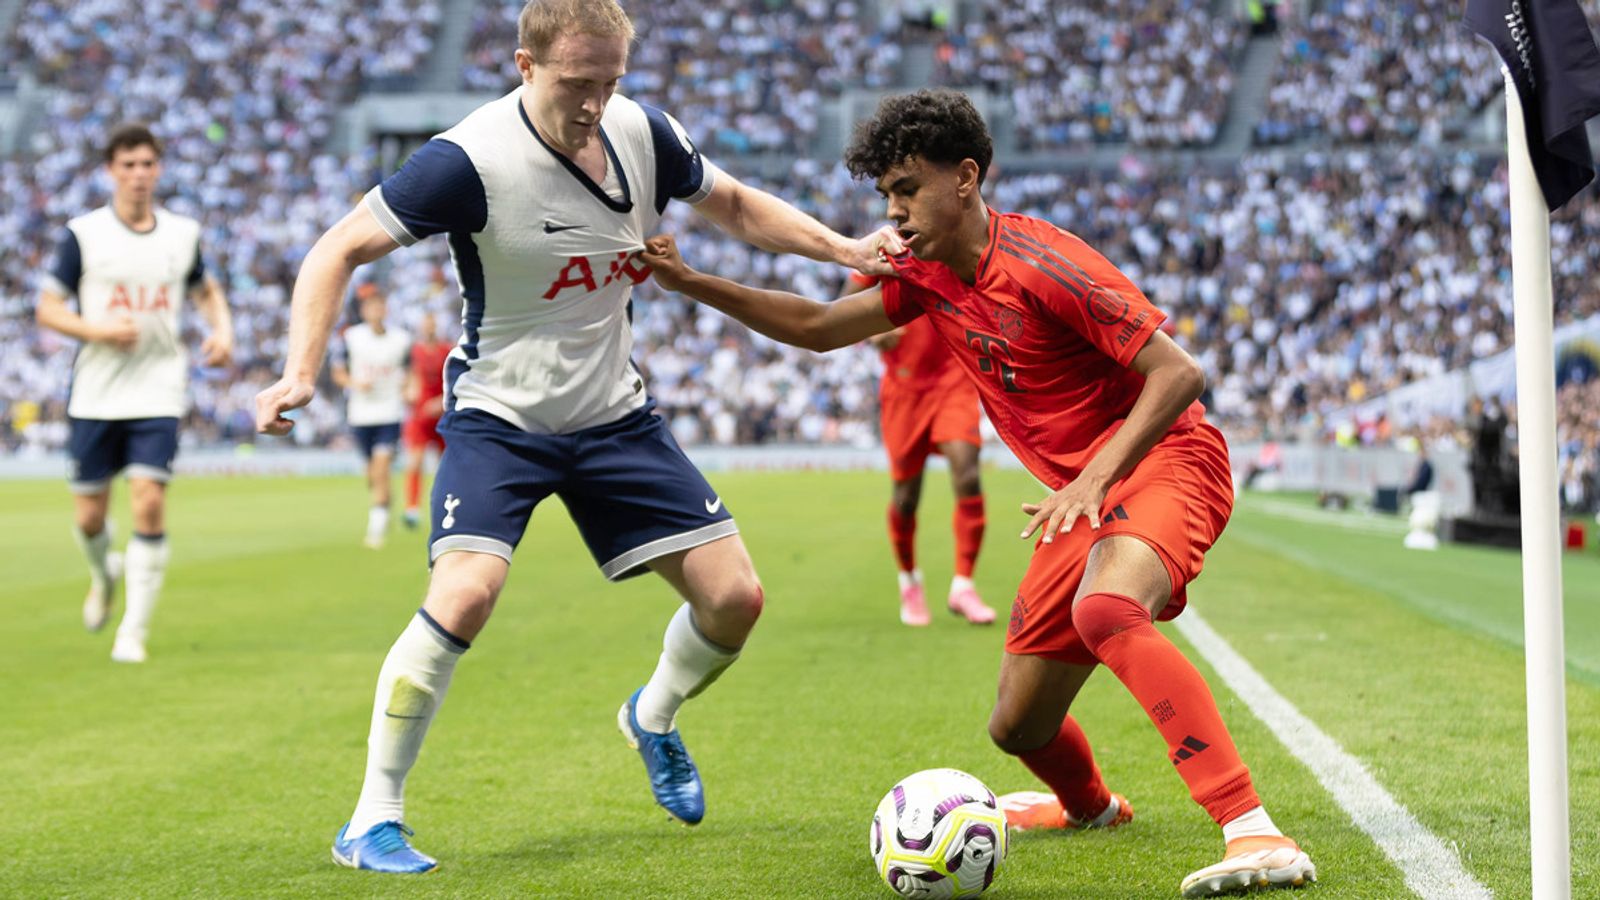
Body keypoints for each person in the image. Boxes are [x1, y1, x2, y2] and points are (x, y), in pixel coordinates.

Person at [253, 0, 898, 874]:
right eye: (576, 82)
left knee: (736, 600)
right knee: (466, 594)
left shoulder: (642, 131)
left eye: (610, 81)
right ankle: (372, 818)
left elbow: (737, 207)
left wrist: (847, 250)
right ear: (525, 65)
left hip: (613, 417)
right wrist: (299, 372)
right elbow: (335, 250)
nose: (595, 102)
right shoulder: (469, 160)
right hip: (501, 418)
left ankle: (652, 716)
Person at [639, 90, 1316, 897]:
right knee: (1018, 725)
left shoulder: (1046, 264)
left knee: (1105, 610)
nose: (894, 209)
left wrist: (1095, 477)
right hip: (1084, 493)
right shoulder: (926, 274)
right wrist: (690, 282)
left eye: (906, 189)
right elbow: (820, 328)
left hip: (1167, 458)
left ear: (965, 177)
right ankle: (1092, 809)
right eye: (886, 194)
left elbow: (1179, 372)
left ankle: (1255, 831)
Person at [35, 123, 234, 665]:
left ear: (159, 169)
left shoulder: (182, 233)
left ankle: (133, 632)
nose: (139, 174)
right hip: (97, 392)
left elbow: (205, 289)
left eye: (148, 163)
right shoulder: (84, 235)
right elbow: (48, 307)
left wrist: (222, 329)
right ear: (111, 171)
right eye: (128, 165)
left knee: (148, 502)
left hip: (158, 387)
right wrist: (97, 330)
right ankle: (104, 575)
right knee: (89, 518)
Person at [844, 273, 993, 626]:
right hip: (904, 390)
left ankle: (963, 585)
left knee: (968, 476)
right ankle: (909, 581)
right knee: (906, 498)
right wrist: (870, 331)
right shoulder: (889, 249)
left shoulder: (959, 236)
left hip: (953, 381)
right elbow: (845, 301)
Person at [330, 285, 411, 548]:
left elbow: (409, 371)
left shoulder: (401, 339)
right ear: (364, 311)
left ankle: (376, 528)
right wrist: (355, 383)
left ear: (385, 309)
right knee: (372, 474)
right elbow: (338, 372)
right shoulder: (351, 338)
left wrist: (408, 387)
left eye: (380, 305)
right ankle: (384, 502)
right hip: (361, 414)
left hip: (389, 412)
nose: (376, 311)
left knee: (381, 466)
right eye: (371, 306)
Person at [400, 311, 453, 529]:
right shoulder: (413, 352)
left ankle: (447, 505)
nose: (429, 328)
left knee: (447, 466)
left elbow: (456, 381)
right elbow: (405, 380)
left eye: (432, 324)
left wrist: (441, 401)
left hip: (442, 416)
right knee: (414, 462)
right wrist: (407, 393)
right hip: (420, 417)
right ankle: (412, 509)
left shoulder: (447, 350)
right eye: (425, 324)